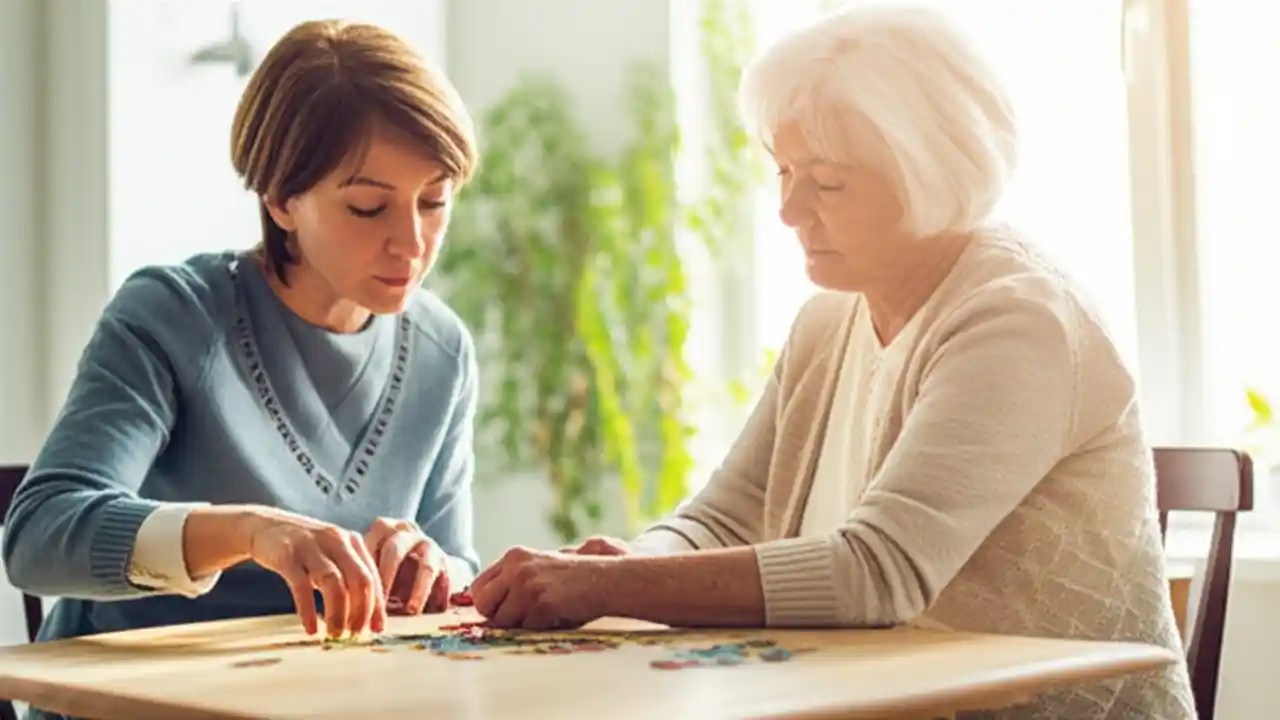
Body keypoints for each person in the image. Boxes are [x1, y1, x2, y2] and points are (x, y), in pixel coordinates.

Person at [469, 5, 1194, 717]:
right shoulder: (829, 319)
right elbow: (722, 519)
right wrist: (630, 562)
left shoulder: (1021, 320)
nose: (788, 209)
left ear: (930, 170)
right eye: (783, 170)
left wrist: (607, 588)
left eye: (828, 181)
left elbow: (878, 572)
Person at [3, 19, 480, 648]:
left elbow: (459, 562)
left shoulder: (441, 352)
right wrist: (251, 532)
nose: (412, 243)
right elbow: (38, 537)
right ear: (281, 200)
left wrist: (431, 569)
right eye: (368, 206)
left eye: (434, 201)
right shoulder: (173, 317)